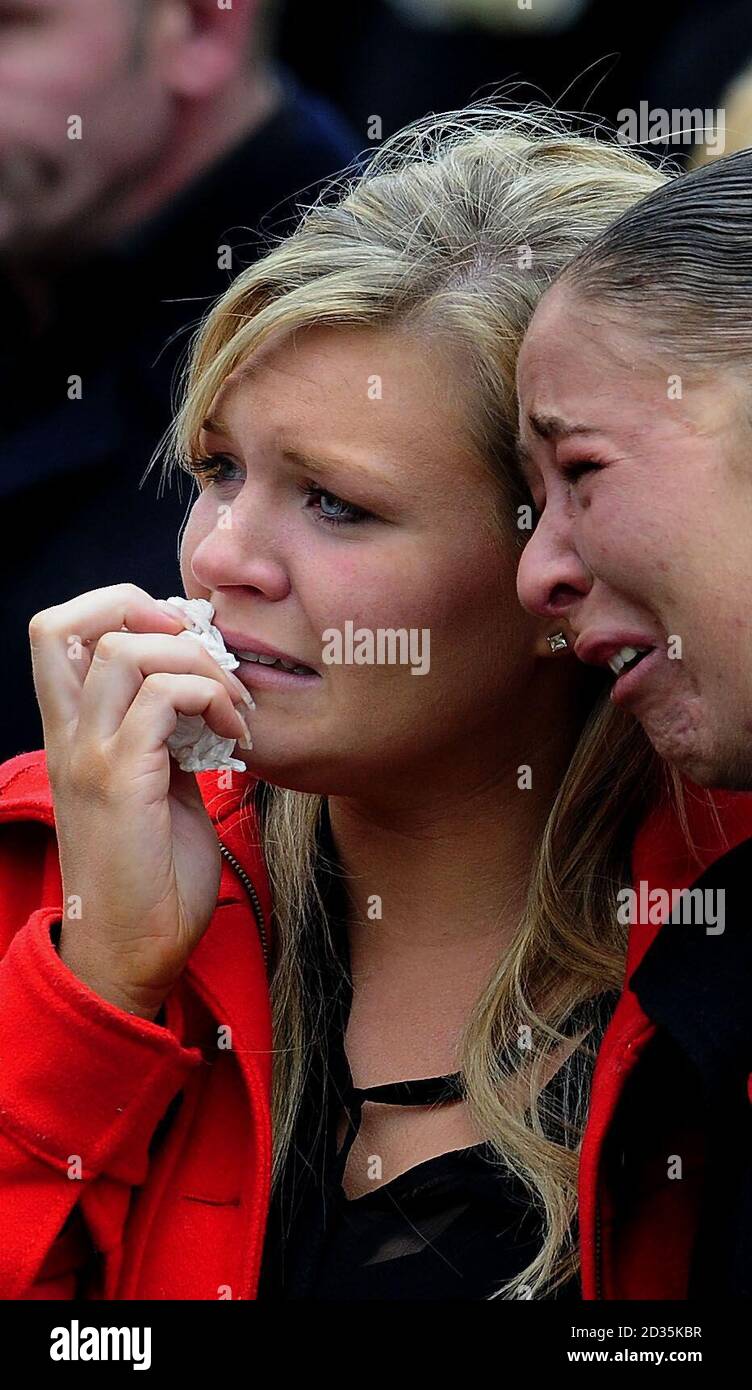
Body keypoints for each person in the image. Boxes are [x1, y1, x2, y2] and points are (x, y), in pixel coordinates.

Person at [2, 106, 751, 1303]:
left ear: (561, 555)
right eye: (217, 471)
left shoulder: (719, 928)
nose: (217, 556)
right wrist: (96, 993)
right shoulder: (43, 862)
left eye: (336, 503)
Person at [0, 0, 359, 764]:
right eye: (216, 468)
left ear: (200, 27)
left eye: (9, 25)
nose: (223, 559)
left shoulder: (405, 326)